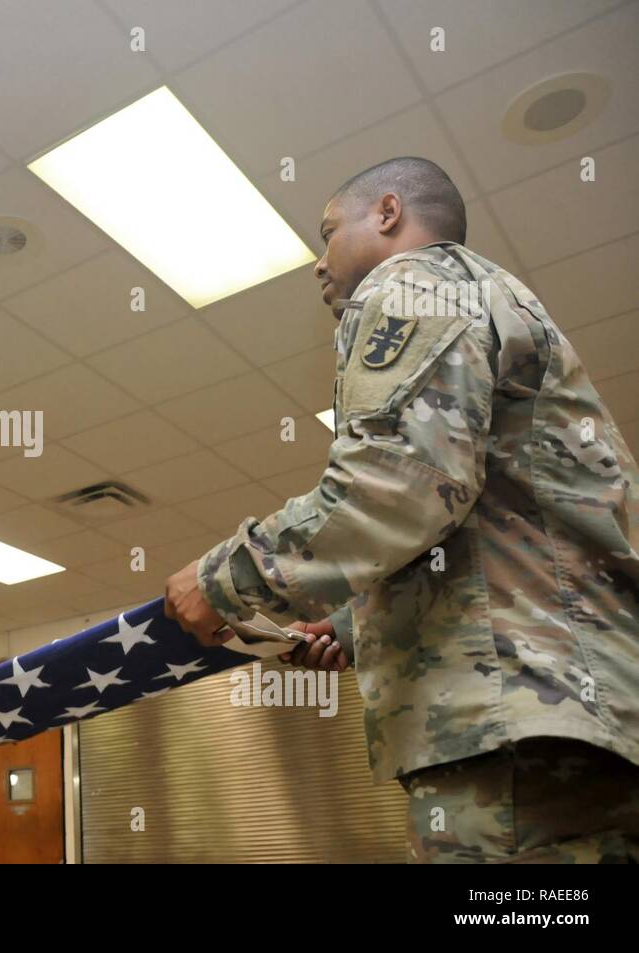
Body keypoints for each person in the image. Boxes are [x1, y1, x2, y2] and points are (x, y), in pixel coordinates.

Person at [164, 156, 639, 863]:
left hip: (513, 731)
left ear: (388, 213)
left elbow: (399, 486)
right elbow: (480, 516)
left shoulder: (411, 283)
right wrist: (357, 625)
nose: (318, 265)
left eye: (327, 233)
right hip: (563, 718)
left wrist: (221, 581)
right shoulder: (483, 295)